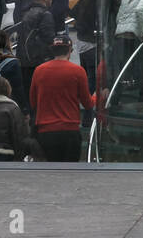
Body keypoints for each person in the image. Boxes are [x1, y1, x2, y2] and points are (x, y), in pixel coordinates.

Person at [29, 33, 94, 162]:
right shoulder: (78, 71)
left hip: (45, 132)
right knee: (69, 173)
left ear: (53, 50)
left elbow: (33, 101)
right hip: (70, 131)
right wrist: (97, 97)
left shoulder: (39, 70)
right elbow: (88, 104)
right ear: (70, 50)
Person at [15, 0, 56, 100]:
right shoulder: (45, 15)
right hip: (39, 63)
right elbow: (49, 39)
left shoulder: (26, 13)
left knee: (29, 96)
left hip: (25, 61)